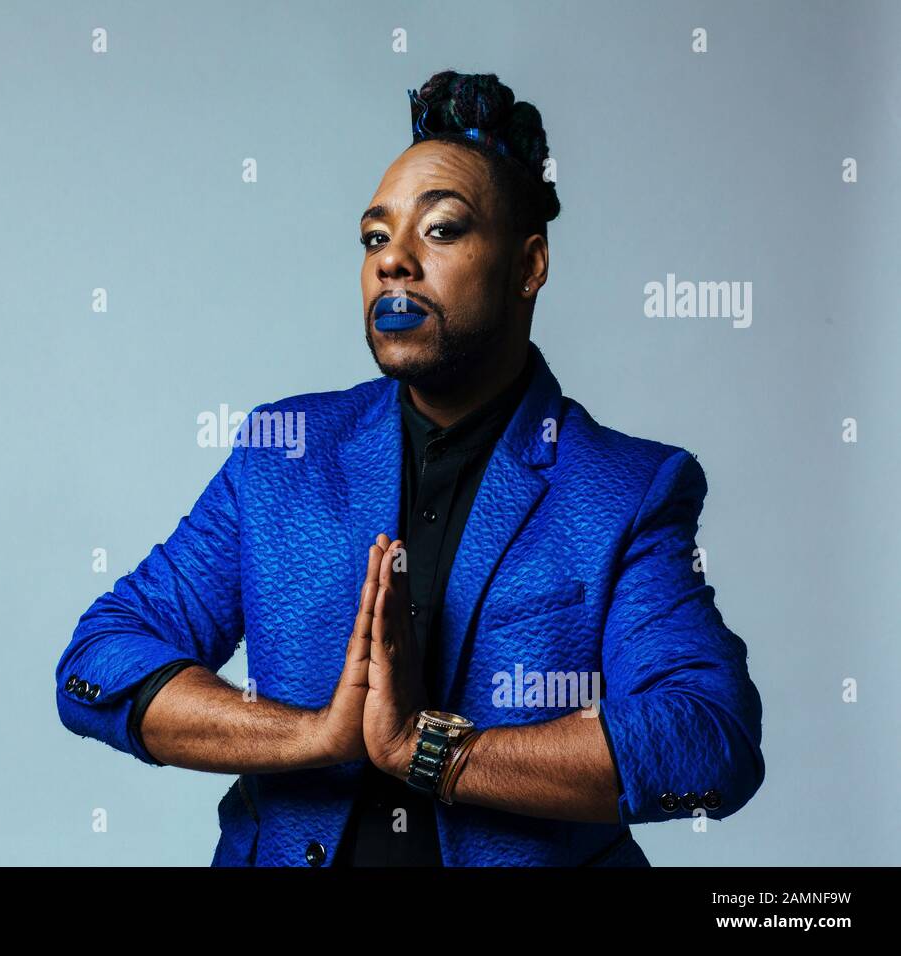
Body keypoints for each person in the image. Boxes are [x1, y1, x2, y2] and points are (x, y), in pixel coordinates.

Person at [55, 70, 765, 867]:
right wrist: (316, 735)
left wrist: (436, 755)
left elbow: (712, 737)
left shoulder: (628, 490)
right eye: (373, 237)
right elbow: (101, 659)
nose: (393, 262)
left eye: (441, 230)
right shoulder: (282, 452)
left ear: (529, 265)